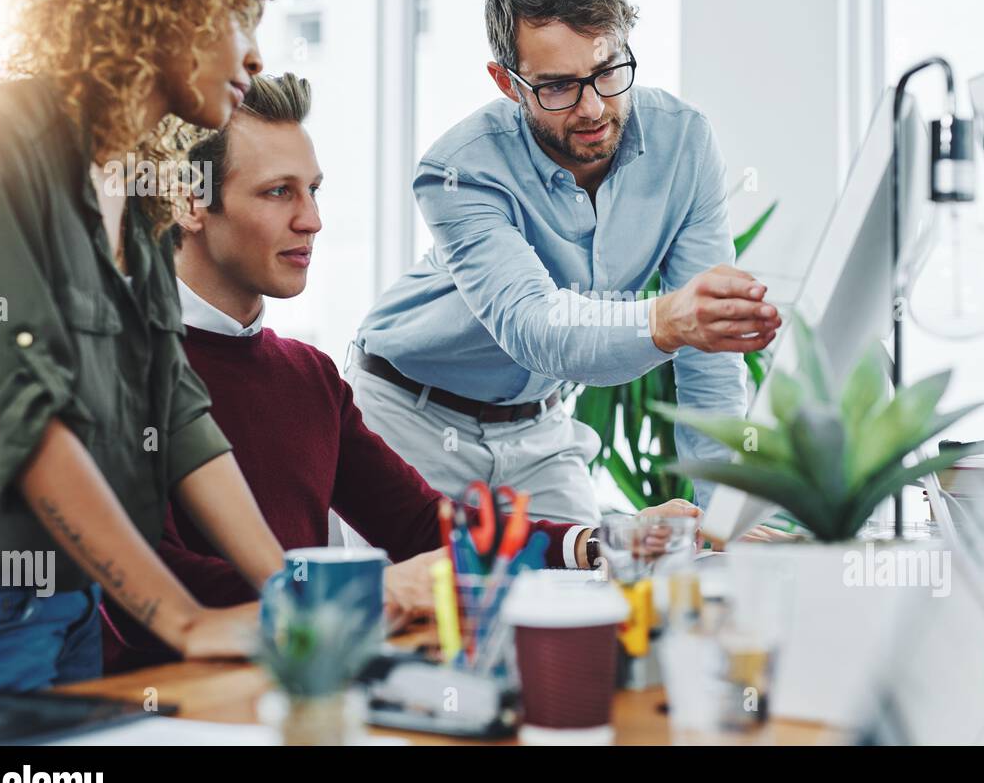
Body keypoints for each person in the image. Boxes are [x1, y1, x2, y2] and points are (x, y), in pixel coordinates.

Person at [102, 72, 698, 672]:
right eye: (278, 193)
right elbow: (149, 585)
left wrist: (595, 542)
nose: (312, 220)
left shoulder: (307, 376)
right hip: (176, 704)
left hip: (303, 685)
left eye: (313, 190)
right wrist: (370, 593)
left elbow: (421, 526)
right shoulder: (118, 371)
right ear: (189, 203)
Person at [0, 0, 290, 695]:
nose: (255, 55)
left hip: (73, 608)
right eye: (239, 10)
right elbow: (21, 409)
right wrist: (181, 617)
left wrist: (295, 596)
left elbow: (173, 411)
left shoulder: (136, 203)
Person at [350, 0, 780, 527]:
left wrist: (728, 524)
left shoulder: (686, 143)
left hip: (538, 427)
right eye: (557, 86)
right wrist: (665, 320)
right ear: (507, 83)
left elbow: (709, 360)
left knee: (594, 594)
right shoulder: (457, 170)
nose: (593, 108)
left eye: (608, 73)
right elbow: (535, 327)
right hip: (411, 418)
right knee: (416, 608)